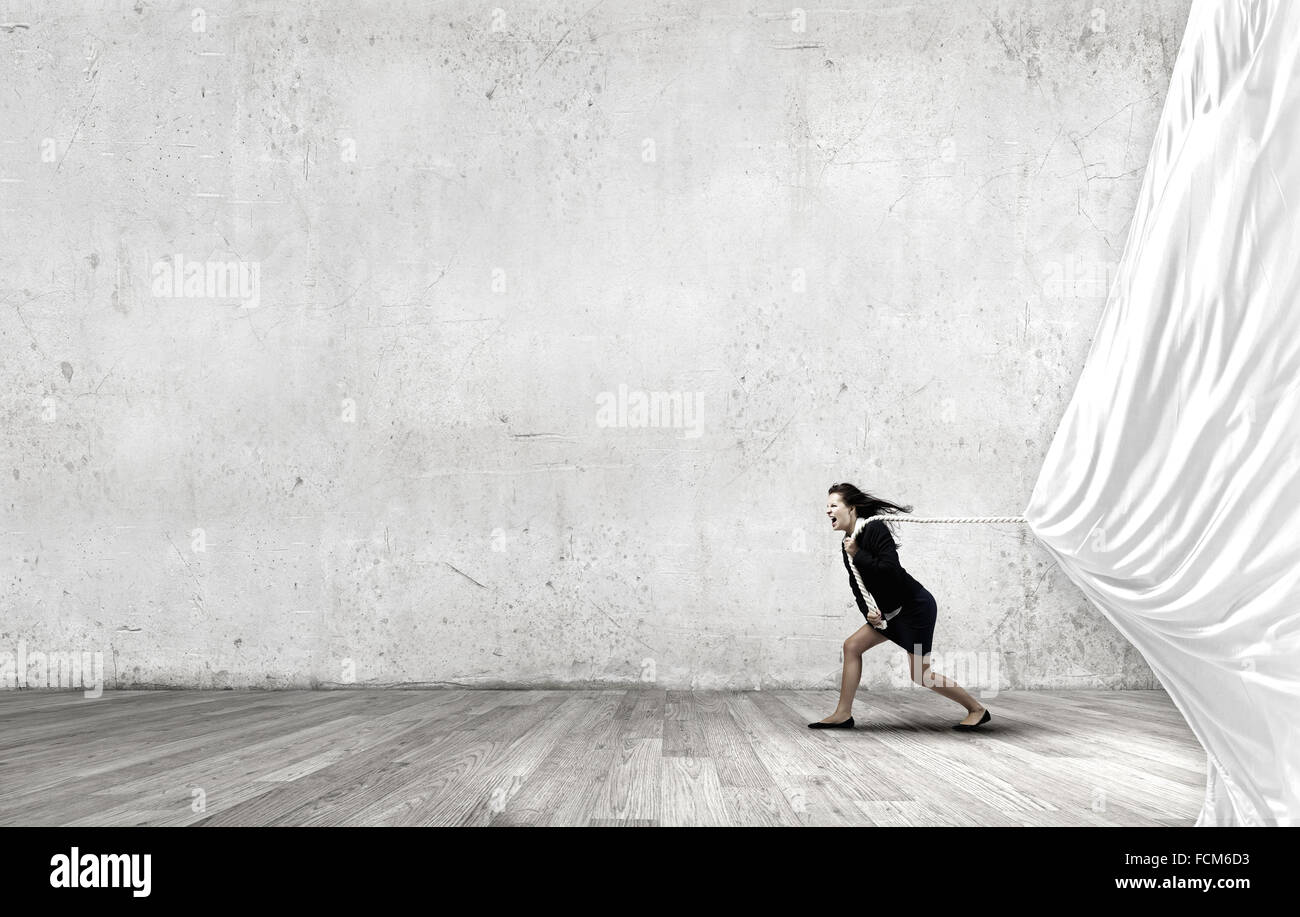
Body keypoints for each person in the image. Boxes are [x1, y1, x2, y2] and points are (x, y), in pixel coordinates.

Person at [810, 482, 991, 730]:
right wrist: (870, 614)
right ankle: (843, 713)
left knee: (921, 675)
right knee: (852, 647)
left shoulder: (875, 529)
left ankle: (977, 709)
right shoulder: (848, 542)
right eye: (826, 506)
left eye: (833, 505)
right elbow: (857, 585)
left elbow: (890, 571)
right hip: (889, 614)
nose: (827, 511)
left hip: (916, 609)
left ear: (851, 508)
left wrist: (858, 554)